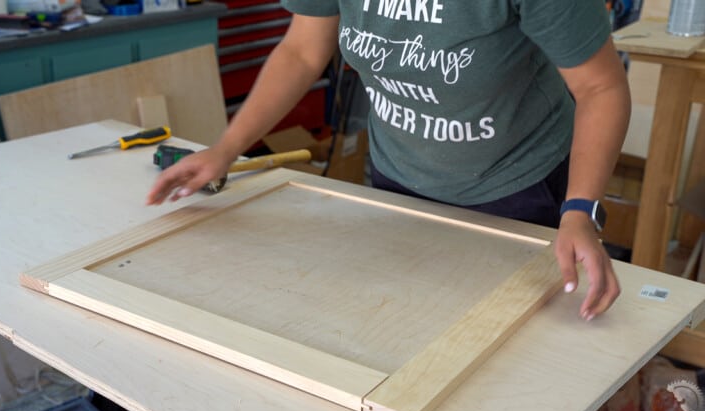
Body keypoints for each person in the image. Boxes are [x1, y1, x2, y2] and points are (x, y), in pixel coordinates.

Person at [147, 0, 631, 321]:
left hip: (520, 188)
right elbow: (301, 50)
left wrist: (580, 211)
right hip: (399, 180)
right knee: (409, 322)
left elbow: (601, 87)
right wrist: (226, 149)